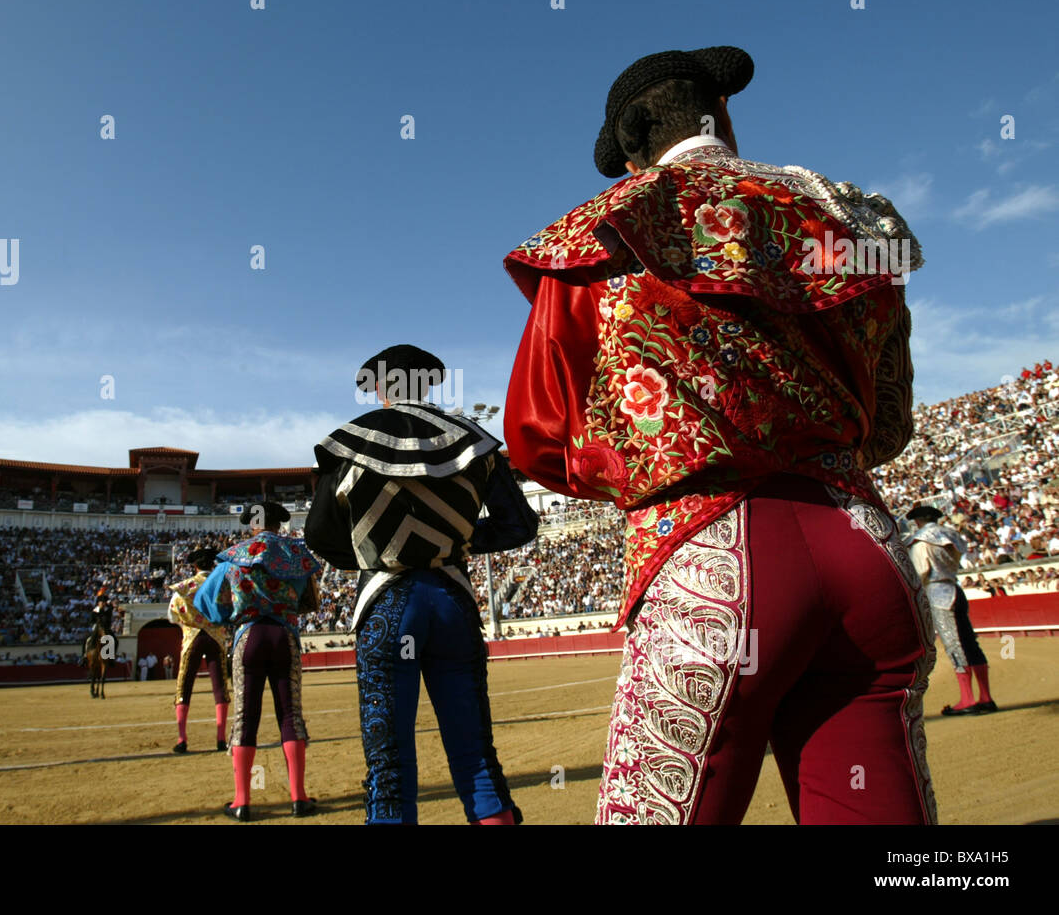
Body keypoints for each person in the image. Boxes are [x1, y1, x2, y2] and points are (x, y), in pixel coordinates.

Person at [501, 46, 935, 824]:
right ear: (723, 115)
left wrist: (650, 462)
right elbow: (892, 418)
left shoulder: (599, 236)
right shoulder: (844, 221)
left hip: (711, 560)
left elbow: (539, 438)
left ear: (632, 144)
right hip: (866, 547)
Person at [305, 344, 539, 825]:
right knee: (476, 755)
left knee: (389, 764)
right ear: (427, 383)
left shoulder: (348, 443)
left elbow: (320, 537)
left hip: (388, 603)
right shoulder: (476, 441)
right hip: (453, 600)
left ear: (380, 388)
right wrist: (462, 540)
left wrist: (375, 554)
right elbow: (520, 525)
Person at [193, 502, 321, 821]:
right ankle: (299, 798)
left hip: (248, 636)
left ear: (252, 525)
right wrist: (284, 605)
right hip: (284, 636)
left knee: (245, 717)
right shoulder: (297, 554)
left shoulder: (233, 555)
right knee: (290, 714)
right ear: (279, 525)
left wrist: (231, 616)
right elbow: (312, 601)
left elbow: (205, 601)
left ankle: (242, 802)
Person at [907, 506, 995, 716]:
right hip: (955, 588)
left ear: (917, 522)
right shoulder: (951, 537)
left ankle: (968, 699)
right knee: (970, 642)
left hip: (937, 593)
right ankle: (985, 697)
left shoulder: (920, 543)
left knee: (953, 645)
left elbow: (921, 572)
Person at [166, 548, 232, 753]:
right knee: (220, 686)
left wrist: (189, 623)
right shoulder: (222, 585)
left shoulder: (184, 587)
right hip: (216, 637)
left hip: (192, 637)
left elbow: (171, 616)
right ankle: (221, 739)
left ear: (195, 566)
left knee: (184, 685)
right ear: (212, 565)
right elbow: (232, 609)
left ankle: (182, 739)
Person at [81, 587, 112, 664]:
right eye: (101, 602)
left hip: (105, 627)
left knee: (113, 640)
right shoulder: (95, 611)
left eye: (104, 602)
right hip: (96, 627)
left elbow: (109, 619)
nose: (102, 603)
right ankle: (84, 656)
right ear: (98, 603)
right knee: (87, 640)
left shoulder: (107, 611)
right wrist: (96, 623)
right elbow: (91, 620)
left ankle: (111, 657)